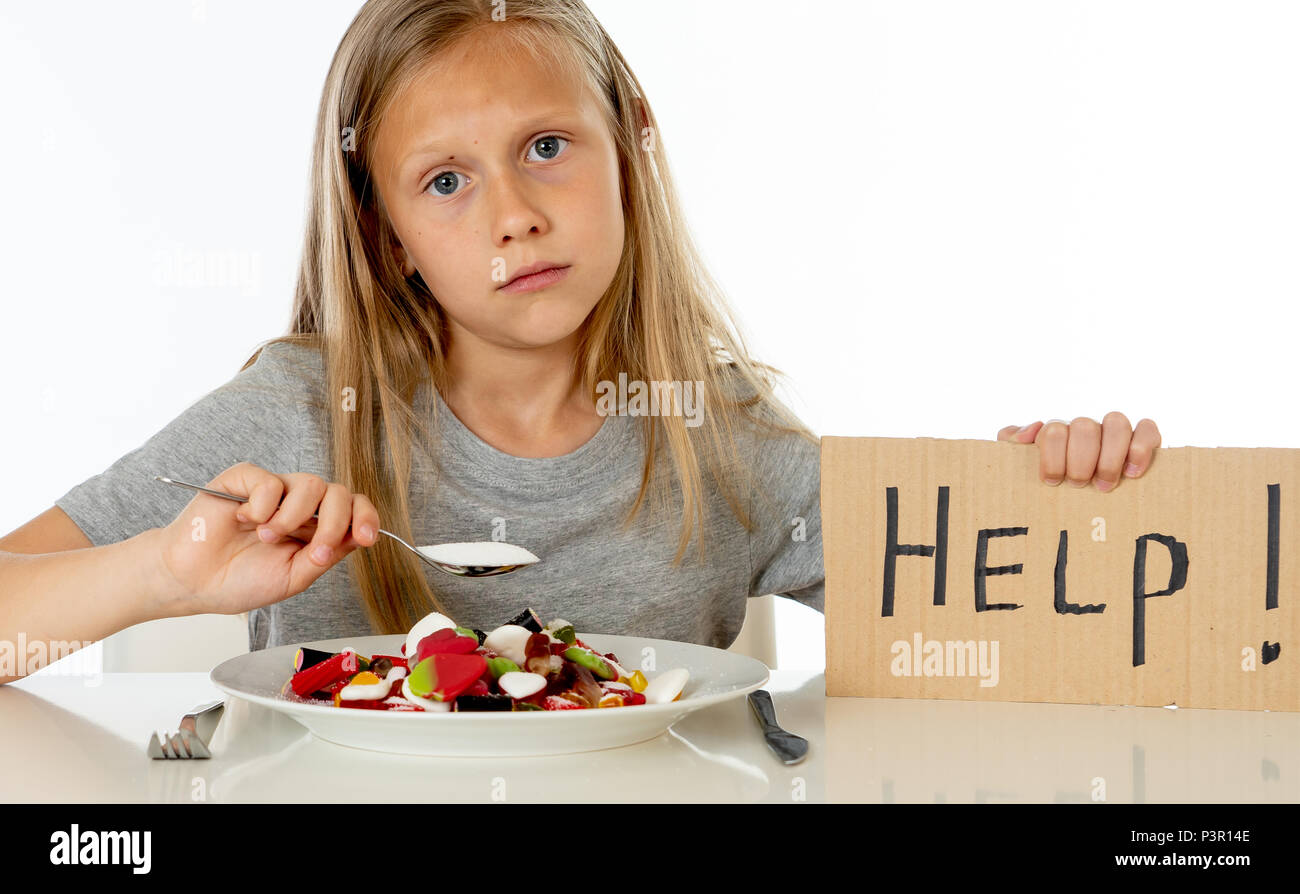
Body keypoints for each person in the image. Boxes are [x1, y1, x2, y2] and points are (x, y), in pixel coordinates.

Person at [0, 0, 1160, 684]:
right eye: (445, 180)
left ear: (630, 146)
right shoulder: (303, 410)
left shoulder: (727, 442)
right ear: (386, 233)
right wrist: (162, 574)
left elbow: (1024, 645)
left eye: (546, 146)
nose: (513, 213)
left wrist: (1074, 501)